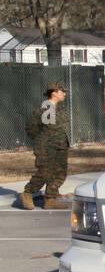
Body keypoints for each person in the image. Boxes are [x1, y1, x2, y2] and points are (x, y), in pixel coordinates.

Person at [21, 81, 71, 210]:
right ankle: (28, 193)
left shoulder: (62, 109)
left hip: (61, 145)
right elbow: (31, 128)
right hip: (45, 146)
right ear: (54, 93)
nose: (65, 93)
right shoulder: (42, 110)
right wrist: (42, 140)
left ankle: (50, 199)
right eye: (62, 91)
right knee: (44, 172)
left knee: (60, 173)